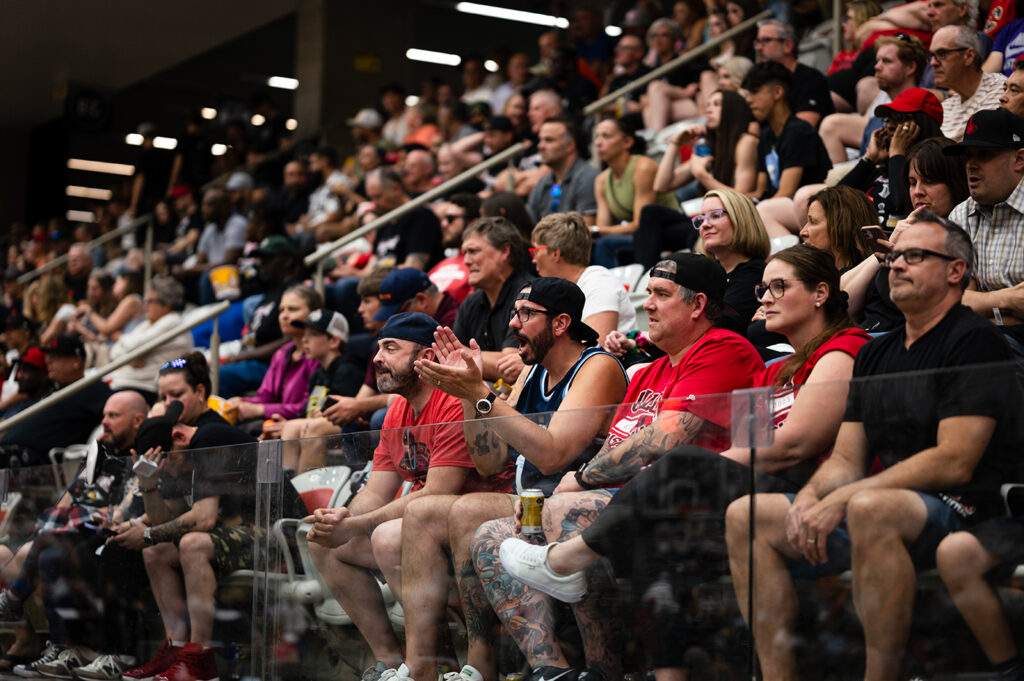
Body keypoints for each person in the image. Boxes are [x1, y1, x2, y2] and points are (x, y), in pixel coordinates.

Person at [498, 245, 870, 681]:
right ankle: (667, 674)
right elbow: (753, 447)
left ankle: (564, 562)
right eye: (762, 288)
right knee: (661, 534)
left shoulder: (845, 348)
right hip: (755, 495)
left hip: (814, 492)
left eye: (778, 287)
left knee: (680, 467)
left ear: (821, 293)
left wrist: (695, 469)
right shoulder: (773, 372)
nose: (764, 298)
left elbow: (795, 444)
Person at [725, 210, 1024, 681]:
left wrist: (845, 495)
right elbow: (846, 458)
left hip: (969, 509)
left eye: (914, 255)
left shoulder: (976, 341)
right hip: (884, 504)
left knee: (870, 506)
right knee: (746, 514)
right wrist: (810, 498)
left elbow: (956, 458)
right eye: (894, 256)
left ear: (955, 272)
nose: (896, 264)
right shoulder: (875, 353)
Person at [469, 254, 764, 681]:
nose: (648, 305)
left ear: (698, 305)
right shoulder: (650, 372)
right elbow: (614, 448)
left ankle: (604, 670)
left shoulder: (723, 349)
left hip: (687, 505)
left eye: (661, 295)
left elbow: (667, 438)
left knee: (560, 514)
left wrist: (577, 480)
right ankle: (551, 670)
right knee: (488, 537)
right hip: (625, 497)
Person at [379, 278, 628, 681]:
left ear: (561, 323)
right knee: (423, 512)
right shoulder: (531, 373)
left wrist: (482, 393)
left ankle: (481, 665)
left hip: (573, 502)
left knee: (467, 509)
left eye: (526, 314)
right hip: (527, 500)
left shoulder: (596, 366)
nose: (513, 324)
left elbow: (551, 456)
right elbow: (488, 460)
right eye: (513, 313)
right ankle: (422, 667)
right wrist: (467, 394)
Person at [305, 312, 515, 677]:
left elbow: (437, 492)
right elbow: (376, 490)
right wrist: (342, 518)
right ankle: (390, 662)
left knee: (387, 537)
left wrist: (356, 526)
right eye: (378, 349)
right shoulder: (397, 409)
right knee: (323, 541)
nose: (376, 359)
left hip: (474, 524)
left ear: (427, 359)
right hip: (421, 526)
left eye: (390, 348)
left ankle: (429, 664)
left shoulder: (451, 401)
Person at [120, 382, 257, 681]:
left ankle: (199, 657)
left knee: (192, 542)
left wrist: (145, 534)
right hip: (232, 536)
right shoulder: (174, 453)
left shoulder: (209, 439)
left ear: (179, 437)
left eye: (166, 469)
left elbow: (204, 519)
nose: (171, 476)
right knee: (156, 550)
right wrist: (148, 483)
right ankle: (176, 646)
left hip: (272, 532)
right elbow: (161, 520)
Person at [844, 137, 968, 331]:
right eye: (912, 182)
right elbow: (844, 302)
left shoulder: (964, 236)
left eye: (929, 181)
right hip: (868, 335)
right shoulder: (903, 229)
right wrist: (887, 249)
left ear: (954, 182)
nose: (917, 191)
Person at [633, 89, 759, 269]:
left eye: (716, 105)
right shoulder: (707, 146)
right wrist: (676, 143)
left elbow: (741, 199)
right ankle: (646, 276)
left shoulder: (745, 142)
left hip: (731, 221)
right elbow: (661, 185)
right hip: (706, 221)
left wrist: (702, 175)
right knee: (650, 214)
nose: (709, 110)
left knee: (697, 232)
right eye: (707, 105)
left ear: (733, 109)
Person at [947, 108, 1024, 377]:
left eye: (984, 154)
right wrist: (1007, 299)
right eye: (968, 156)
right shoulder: (961, 215)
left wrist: (981, 302)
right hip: (981, 337)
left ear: (1020, 159)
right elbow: (953, 304)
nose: (971, 164)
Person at [268, 309, 362, 473]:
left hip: (350, 429)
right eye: (304, 334)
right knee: (289, 427)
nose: (304, 340)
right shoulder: (318, 373)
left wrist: (311, 419)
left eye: (313, 334)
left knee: (303, 428)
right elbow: (308, 412)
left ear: (333, 341)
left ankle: (306, 492)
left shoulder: (348, 370)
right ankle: (289, 490)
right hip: (319, 425)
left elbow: (347, 416)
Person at [0, 334, 111, 467]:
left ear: (77, 361)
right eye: (49, 357)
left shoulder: (92, 388)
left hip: (36, 462)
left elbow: (124, 407)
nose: (48, 361)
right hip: (10, 452)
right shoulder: (52, 393)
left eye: (56, 357)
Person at [530, 212, 638, 346]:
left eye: (535, 251)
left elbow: (596, 349)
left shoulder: (598, 281)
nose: (533, 259)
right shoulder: (562, 291)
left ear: (555, 254)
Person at [819, 32, 928, 164]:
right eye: (878, 61)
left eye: (887, 61)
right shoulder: (884, 95)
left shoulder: (918, 108)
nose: (877, 67)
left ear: (910, 67)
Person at [450, 217, 534, 383]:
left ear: (504, 252)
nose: (466, 260)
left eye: (473, 251)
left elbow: (509, 367)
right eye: (464, 253)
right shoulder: (470, 304)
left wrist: (458, 354)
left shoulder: (529, 295)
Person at [225, 285, 320, 428]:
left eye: (293, 309)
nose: (284, 316)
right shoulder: (282, 353)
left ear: (313, 314)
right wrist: (242, 401)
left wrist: (260, 409)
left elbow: (308, 406)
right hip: (276, 422)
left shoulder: (318, 354)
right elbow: (266, 396)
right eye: (282, 310)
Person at [592, 118, 679, 268]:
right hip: (637, 236)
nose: (598, 143)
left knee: (604, 245)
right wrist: (597, 230)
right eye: (597, 137)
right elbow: (603, 227)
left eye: (606, 136)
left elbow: (640, 223)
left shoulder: (643, 167)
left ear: (627, 142)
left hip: (667, 231)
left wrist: (595, 230)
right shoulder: (601, 180)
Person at [743, 63, 832, 208]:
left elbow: (786, 193)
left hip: (812, 208)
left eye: (755, 91)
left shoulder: (800, 132)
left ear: (778, 93)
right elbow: (760, 191)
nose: (748, 99)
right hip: (777, 207)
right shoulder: (766, 135)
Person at [693, 189, 771, 335]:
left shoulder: (755, 274)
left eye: (715, 215)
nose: (704, 224)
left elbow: (718, 329)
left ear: (741, 220)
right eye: (701, 219)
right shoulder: (708, 277)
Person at [107, 276, 193, 402]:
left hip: (146, 389)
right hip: (125, 383)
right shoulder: (149, 323)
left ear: (167, 305)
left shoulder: (172, 321)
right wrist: (129, 358)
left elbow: (134, 346)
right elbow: (114, 352)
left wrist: (121, 338)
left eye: (150, 301)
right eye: (145, 300)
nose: (145, 306)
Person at [753, 19, 835, 128]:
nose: (758, 48)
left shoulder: (811, 79)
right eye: (757, 42)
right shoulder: (761, 82)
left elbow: (802, 130)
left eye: (766, 40)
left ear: (787, 45)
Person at [933, 25, 1006, 140]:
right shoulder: (945, 108)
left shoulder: (1002, 91)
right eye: (932, 56)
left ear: (969, 56)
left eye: (942, 54)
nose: (933, 63)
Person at [525, 117, 600, 225]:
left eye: (549, 140)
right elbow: (529, 228)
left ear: (569, 146)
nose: (540, 146)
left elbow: (585, 232)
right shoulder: (543, 183)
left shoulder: (588, 178)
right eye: (540, 140)